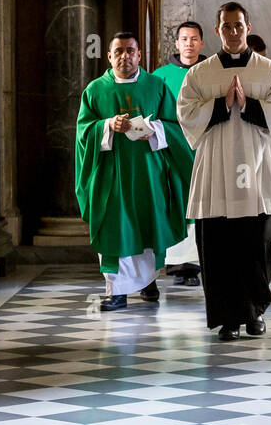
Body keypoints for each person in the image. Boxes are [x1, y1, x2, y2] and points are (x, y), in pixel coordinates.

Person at [178, 1, 271, 341]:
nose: (232, 31)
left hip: (256, 170)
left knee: (258, 244)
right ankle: (228, 318)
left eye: (238, 25)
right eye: (226, 26)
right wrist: (220, 105)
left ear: (248, 27)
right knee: (219, 248)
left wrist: (249, 105)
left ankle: (254, 311)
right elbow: (186, 114)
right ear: (217, 31)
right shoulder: (199, 74)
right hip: (215, 170)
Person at [75, 32, 193, 311]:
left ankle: (148, 281)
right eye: (118, 51)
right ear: (109, 56)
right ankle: (117, 291)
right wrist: (105, 126)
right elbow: (83, 132)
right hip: (112, 176)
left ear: (140, 55)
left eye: (130, 51)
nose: (124, 57)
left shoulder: (156, 86)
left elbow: (176, 126)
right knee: (118, 228)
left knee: (149, 225)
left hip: (149, 174)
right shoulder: (94, 91)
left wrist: (154, 130)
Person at [153, 21, 206, 285]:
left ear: (202, 43)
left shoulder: (212, 71)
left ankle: (200, 261)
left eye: (194, 39)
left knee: (204, 205)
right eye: (184, 39)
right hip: (172, 152)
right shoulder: (160, 76)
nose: (189, 43)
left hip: (205, 150)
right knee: (176, 202)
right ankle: (177, 264)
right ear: (176, 43)